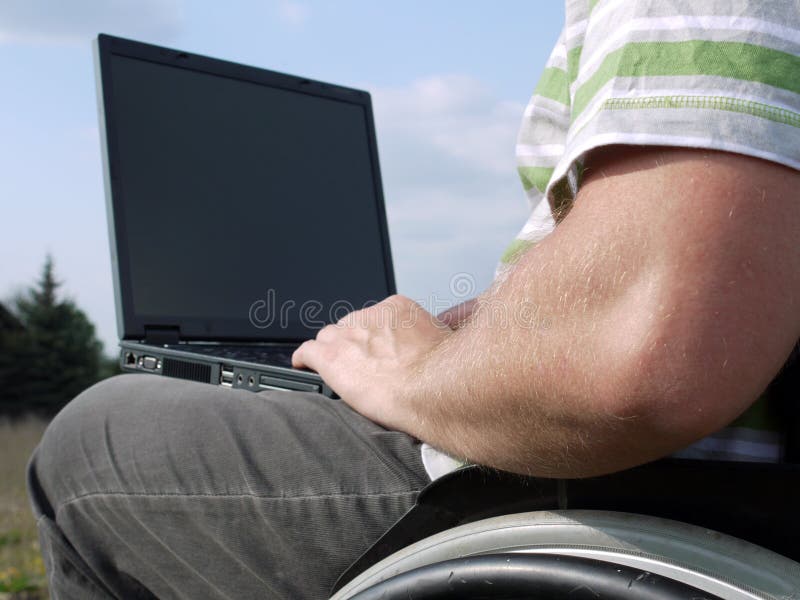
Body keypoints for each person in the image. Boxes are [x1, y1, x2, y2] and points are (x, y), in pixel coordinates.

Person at [28, 2, 800, 598]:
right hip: (703, 491)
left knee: (92, 439)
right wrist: (474, 334)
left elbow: (643, 356)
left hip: (612, 497)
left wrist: (420, 375)